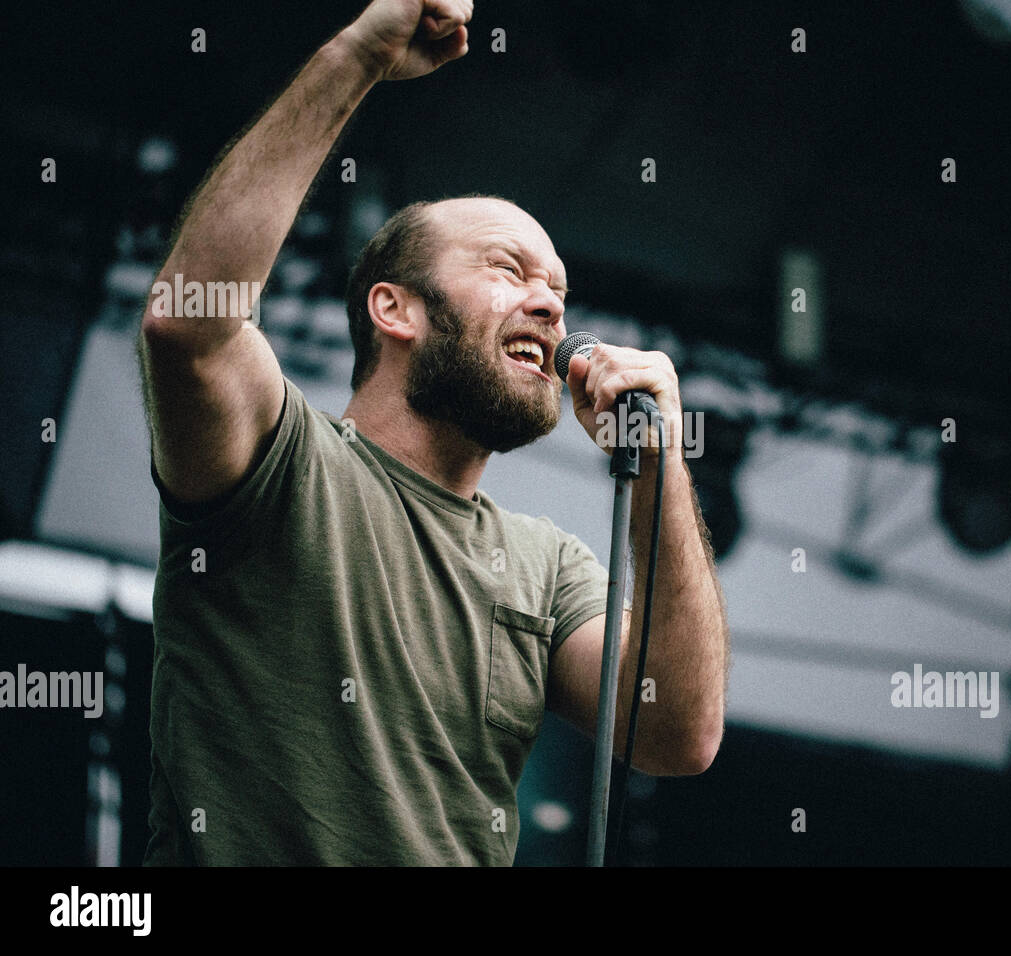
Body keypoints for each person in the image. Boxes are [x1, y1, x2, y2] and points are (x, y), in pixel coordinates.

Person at [136, 0, 729, 865]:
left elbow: (678, 729)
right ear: (395, 308)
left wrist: (661, 465)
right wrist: (360, 52)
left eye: (558, 289)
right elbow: (190, 328)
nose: (549, 303)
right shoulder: (286, 461)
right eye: (508, 269)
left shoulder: (549, 567)